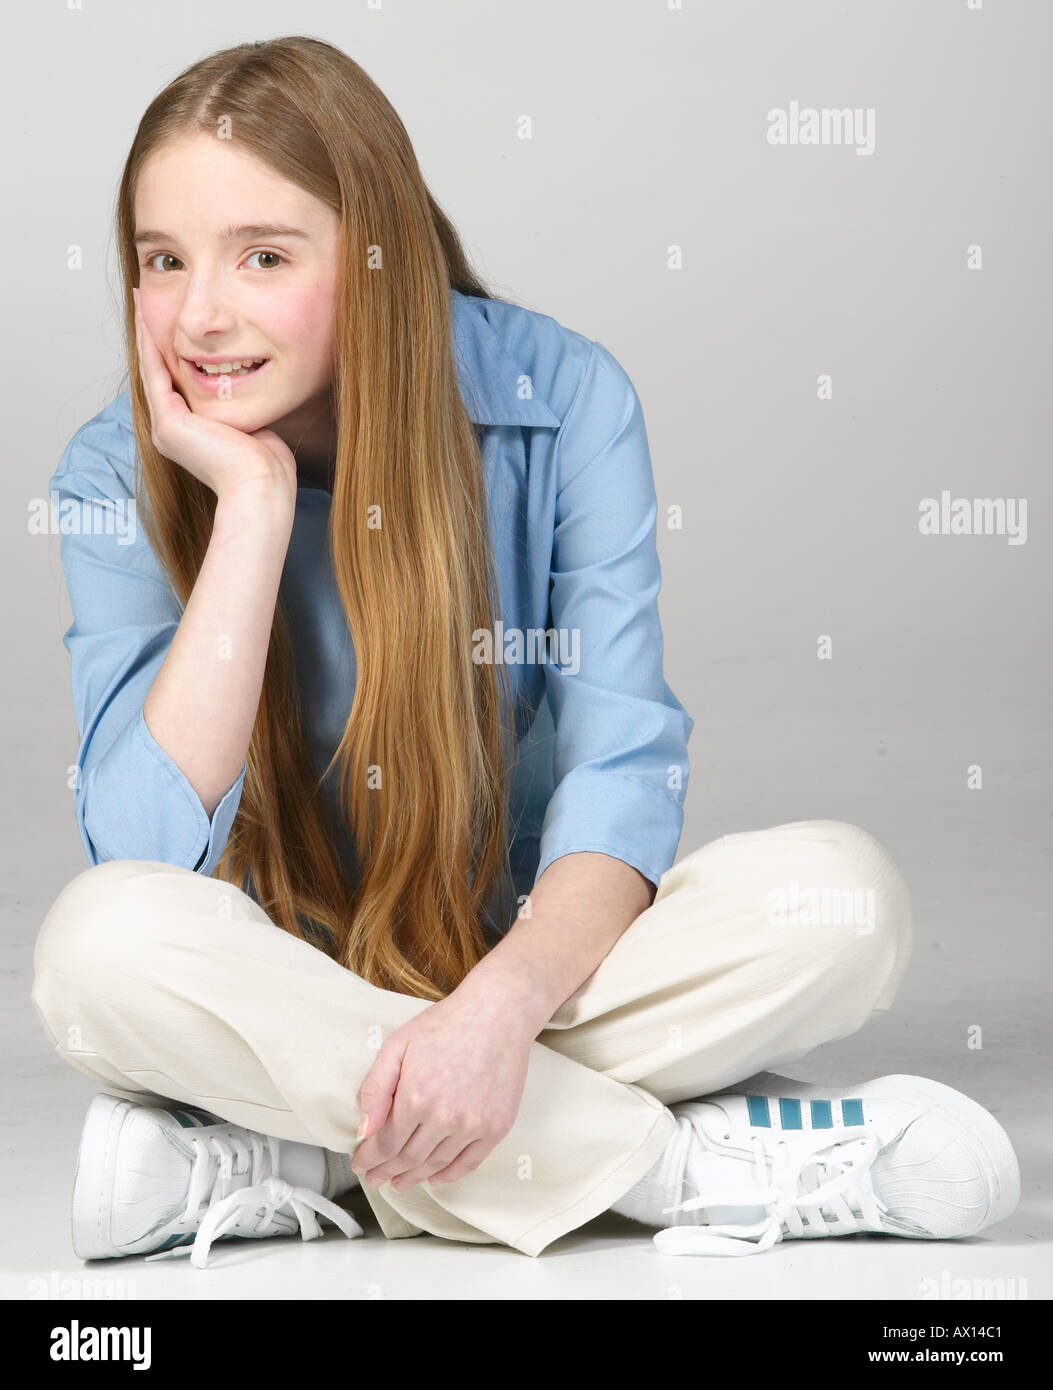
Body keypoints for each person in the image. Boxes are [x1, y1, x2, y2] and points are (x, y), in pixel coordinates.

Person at [32, 35, 1019, 1270]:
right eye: (162, 262)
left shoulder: (570, 401)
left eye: (265, 258)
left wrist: (497, 1012)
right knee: (94, 947)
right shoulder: (112, 470)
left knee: (846, 898)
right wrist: (253, 508)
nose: (199, 316)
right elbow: (142, 850)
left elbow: (622, 771)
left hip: (524, 965)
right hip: (280, 978)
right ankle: (676, 1165)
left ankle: (314, 1150)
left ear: (376, 261)